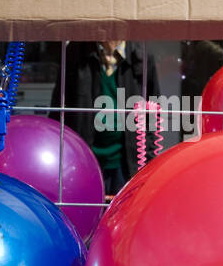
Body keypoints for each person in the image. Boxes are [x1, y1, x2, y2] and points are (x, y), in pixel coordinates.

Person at [51, 41, 159, 195]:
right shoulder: (75, 51)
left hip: (127, 163)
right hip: (82, 160)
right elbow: (57, 108)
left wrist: (148, 157)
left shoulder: (142, 55)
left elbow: (153, 110)